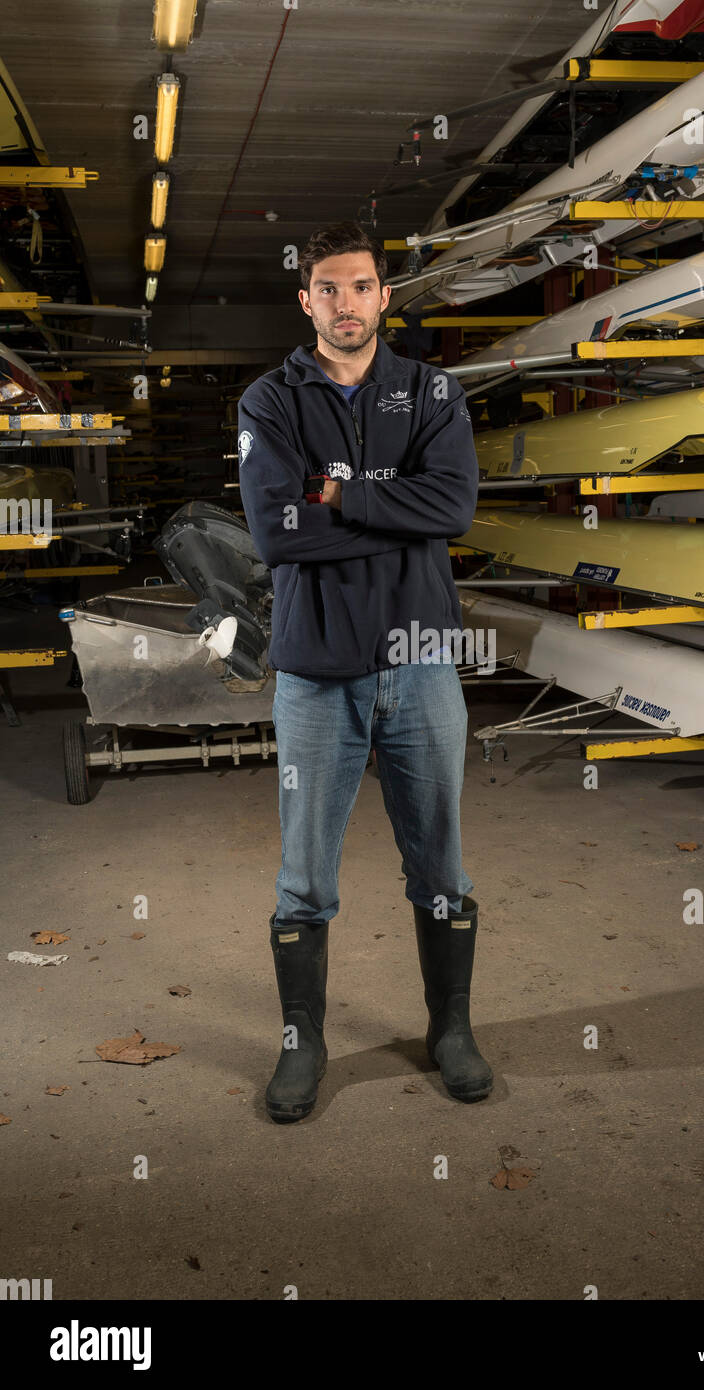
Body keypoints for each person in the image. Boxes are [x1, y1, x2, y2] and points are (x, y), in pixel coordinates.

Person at [237, 221, 492, 1122]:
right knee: (305, 874)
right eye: (329, 290)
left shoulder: (431, 390)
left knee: (441, 864)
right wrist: (396, 506)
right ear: (306, 301)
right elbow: (274, 534)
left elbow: (454, 506)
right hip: (316, 671)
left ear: (385, 296)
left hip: (420, 660)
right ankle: (301, 1047)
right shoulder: (270, 401)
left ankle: (450, 1029)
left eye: (362, 287)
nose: (347, 304)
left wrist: (338, 492)